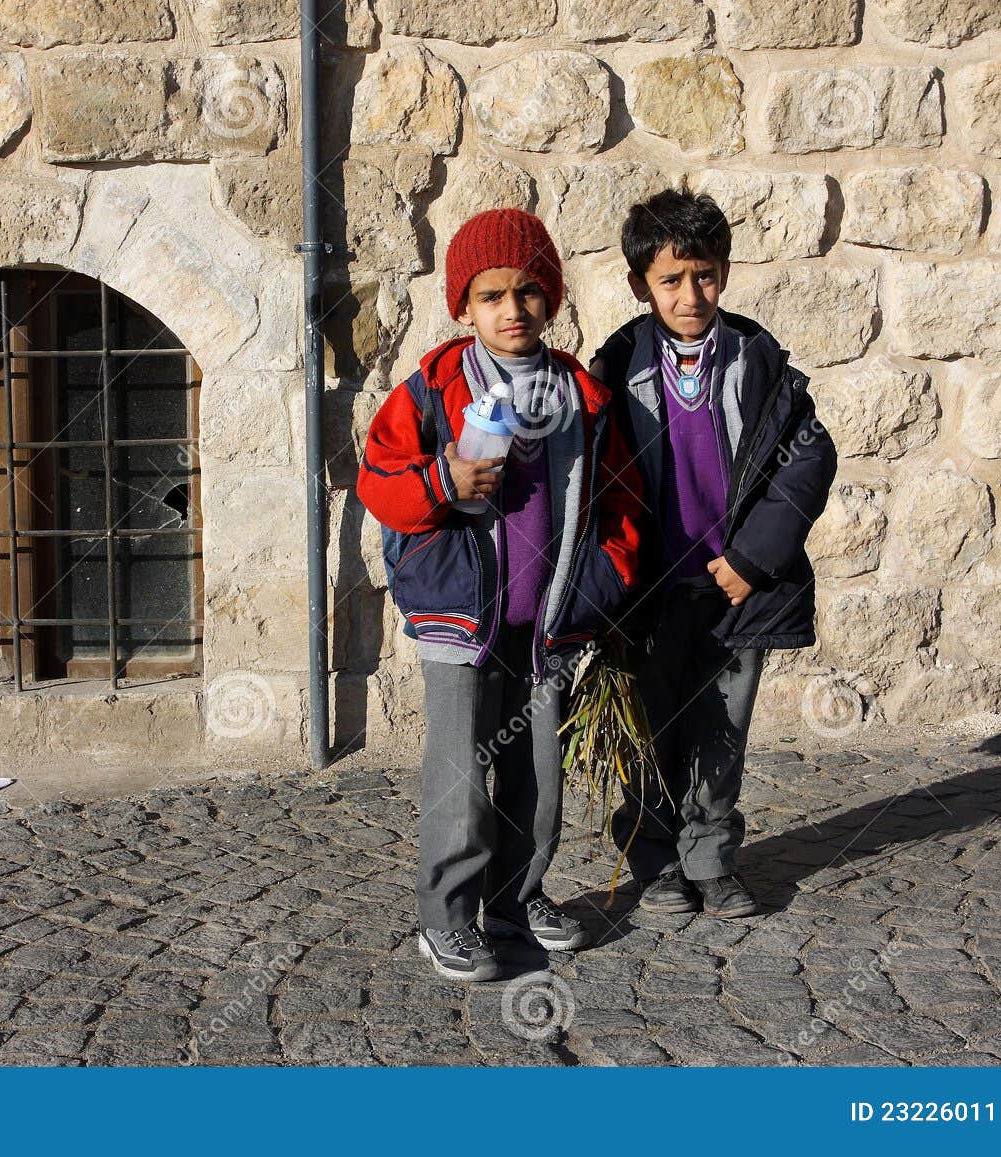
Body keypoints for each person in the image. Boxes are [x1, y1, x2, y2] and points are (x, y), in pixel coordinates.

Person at [357, 209, 643, 980]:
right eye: (491, 295)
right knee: (461, 780)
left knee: (535, 779)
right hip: (461, 622)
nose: (511, 309)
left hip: (547, 623)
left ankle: (516, 902)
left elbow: (620, 501)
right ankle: (445, 918)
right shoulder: (433, 389)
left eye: (527, 291)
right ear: (464, 305)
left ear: (550, 298)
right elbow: (378, 483)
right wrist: (442, 480)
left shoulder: (583, 397)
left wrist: (604, 582)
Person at [591, 189, 837, 919]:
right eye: (670, 280)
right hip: (649, 593)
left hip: (733, 588)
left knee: (721, 731)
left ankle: (712, 859)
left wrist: (754, 559)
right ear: (641, 285)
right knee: (650, 730)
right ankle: (657, 863)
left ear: (723, 273)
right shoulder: (614, 369)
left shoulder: (758, 363)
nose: (690, 294)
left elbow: (807, 459)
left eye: (704, 276)